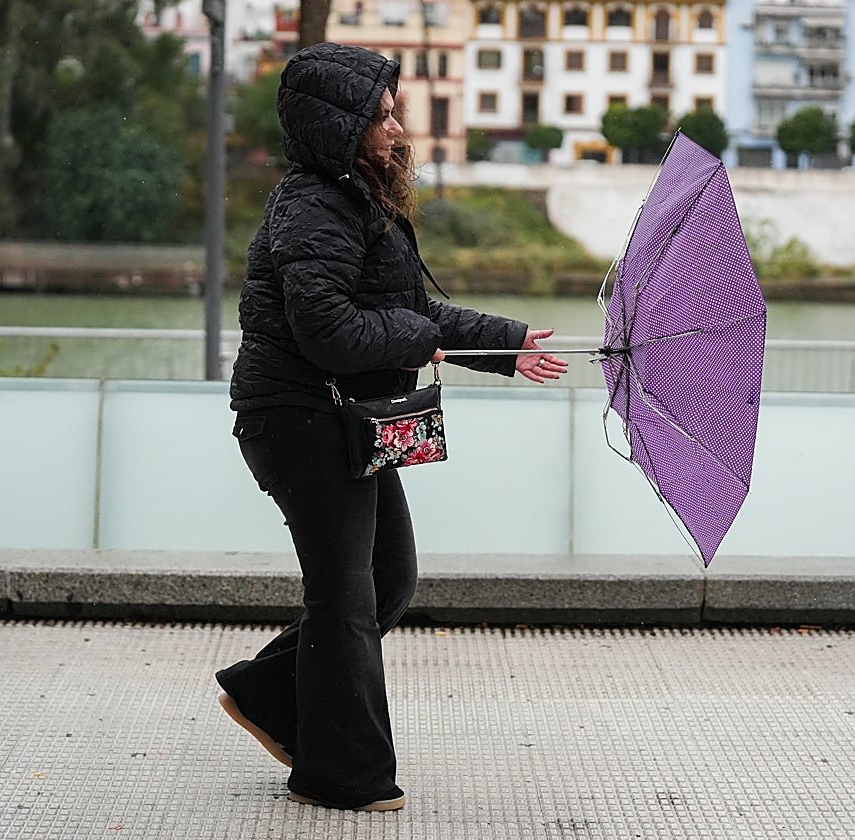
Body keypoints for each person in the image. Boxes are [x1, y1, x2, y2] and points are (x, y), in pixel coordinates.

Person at [214, 42, 568, 813]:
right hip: (300, 420)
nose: (400, 130)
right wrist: (420, 340)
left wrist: (508, 346)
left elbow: (419, 314)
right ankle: (341, 776)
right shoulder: (312, 204)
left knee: (387, 581)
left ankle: (267, 696)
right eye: (382, 118)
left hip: (348, 420)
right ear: (336, 128)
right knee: (344, 598)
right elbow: (329, 331)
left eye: (394, 113)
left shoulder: (357, 198)